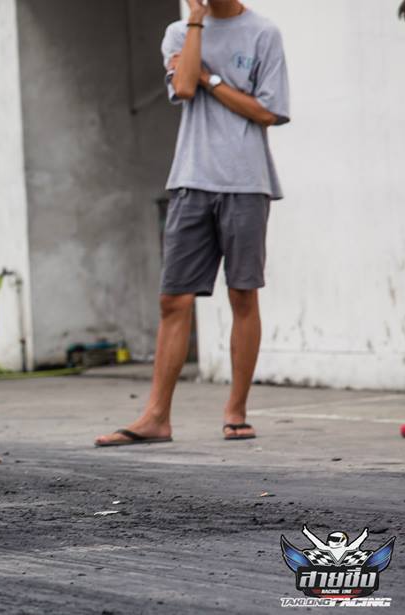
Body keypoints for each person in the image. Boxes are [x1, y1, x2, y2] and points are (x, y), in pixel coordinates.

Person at [95, 0, 289, 446]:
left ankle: (236, 410)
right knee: (173, 300)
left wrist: (211, 78)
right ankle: (156, 417)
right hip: (190, 179)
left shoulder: (264, 33)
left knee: (243, 293)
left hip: (246, 181)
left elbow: (268, 112)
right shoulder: (179, 32)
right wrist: (197, 23)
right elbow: (183, 89)